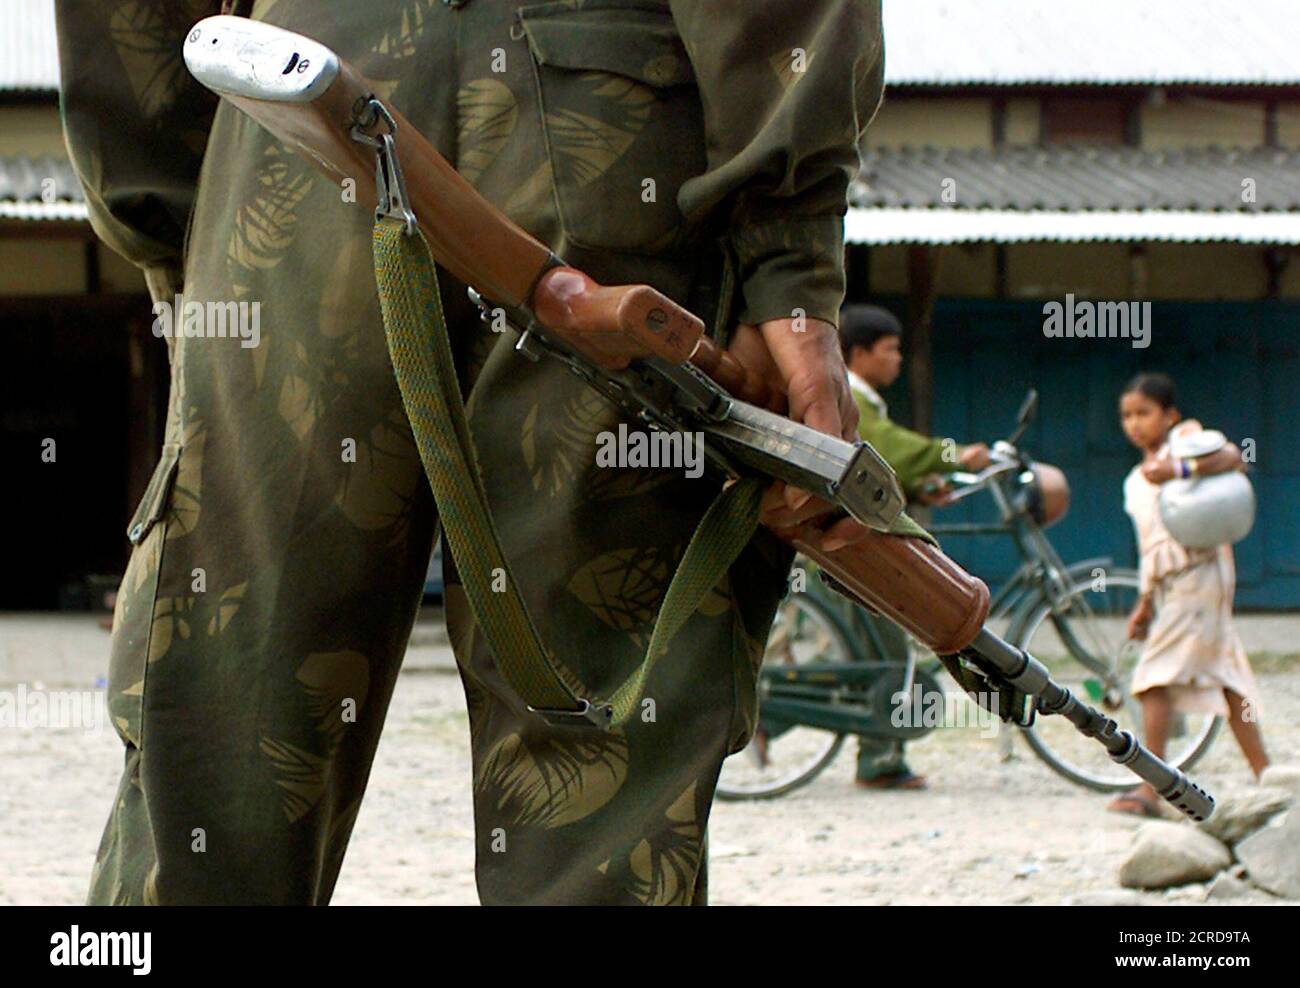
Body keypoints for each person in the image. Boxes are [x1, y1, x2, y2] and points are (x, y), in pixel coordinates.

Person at [57, 0, 912, 904]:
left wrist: (180, 216)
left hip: (292, 109)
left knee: (225, 731)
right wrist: (789, 259)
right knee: (599, 783)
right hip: (611, 124)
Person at [837, 304, 990, 789]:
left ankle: (776, 726)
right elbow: (891, 450)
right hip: (841, 542)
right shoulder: (847, 394)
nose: (898, 359)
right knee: (884, 646)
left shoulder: (862, 397)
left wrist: (922, 490)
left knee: (868, 648)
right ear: (859, 353)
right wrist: (953, 455)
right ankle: (879, 760)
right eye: (891, 350)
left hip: (844, 533)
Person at [1108, 372, 1269, 818]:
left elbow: (1234, 457)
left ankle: (1150, 787)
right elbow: (1151, 546)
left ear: (1169, 415)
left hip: (1201, 575)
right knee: (1230, 677)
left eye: (1144, 413)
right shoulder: (1135, 479)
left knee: (1153, 679)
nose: (1135, 423)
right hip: (1173, 583)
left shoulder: (1185, 441)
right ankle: (1267, 774)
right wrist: (1144, 602)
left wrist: (1181, 469)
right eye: (1127, 415)